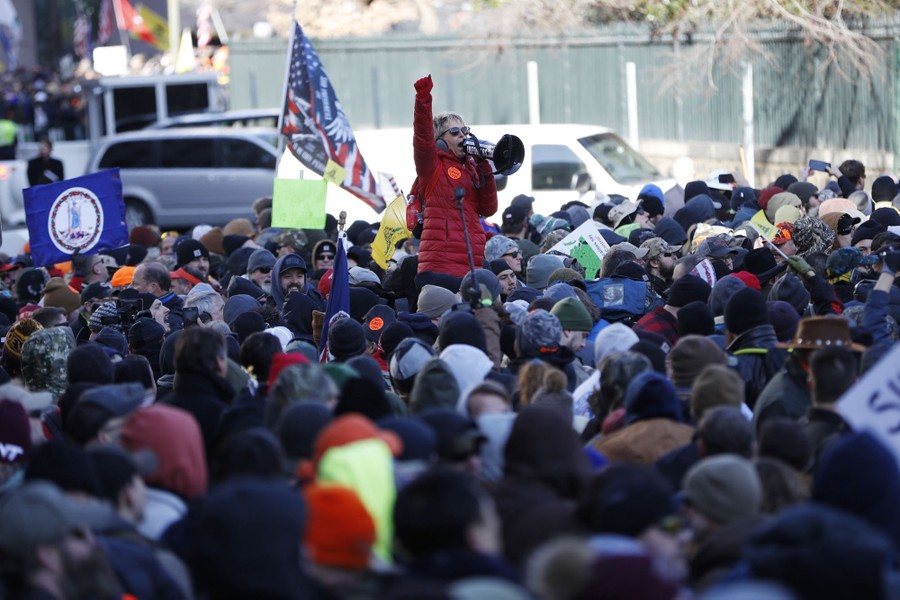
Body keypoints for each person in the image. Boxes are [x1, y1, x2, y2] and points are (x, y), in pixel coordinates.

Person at [412, 75, 498, 288]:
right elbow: (422, 138)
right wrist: (423, 101)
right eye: (454, 131)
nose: (462, 135)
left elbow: (489, 208)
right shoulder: (432, 166)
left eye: (464, 130)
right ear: (440, 140)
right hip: (441, 266)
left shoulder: (472, 168)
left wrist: (484, 165)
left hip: (471, 264)